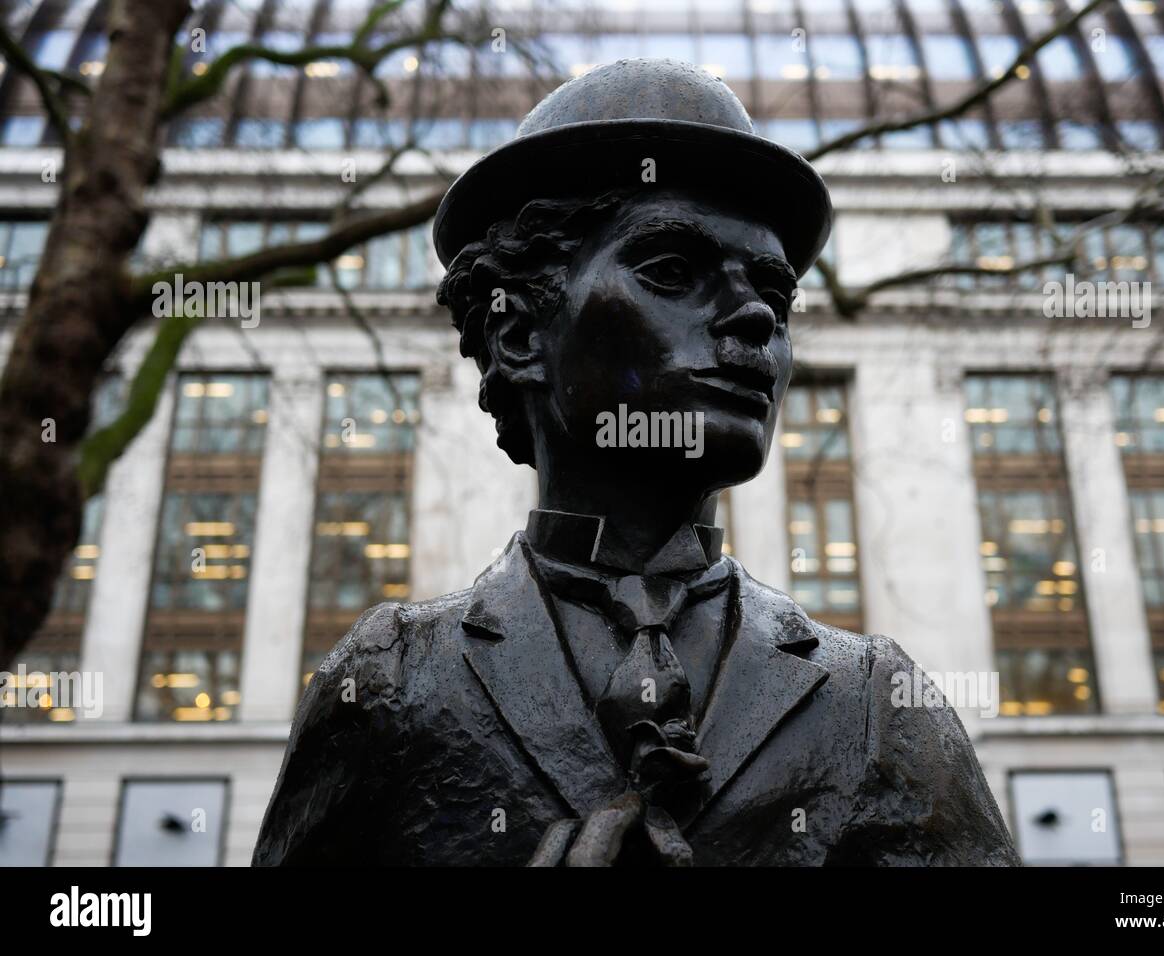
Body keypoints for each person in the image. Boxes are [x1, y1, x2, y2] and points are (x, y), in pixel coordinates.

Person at [253, 58, 1019, 867]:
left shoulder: (874, 702)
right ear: (519, 336)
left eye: (776, 293)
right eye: (672, 272)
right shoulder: (388, 685)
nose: (756, 318)